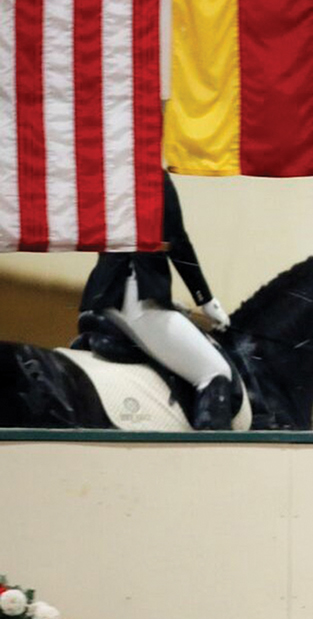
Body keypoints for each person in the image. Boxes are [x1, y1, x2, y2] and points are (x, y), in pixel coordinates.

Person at [79, 171, 235, 429]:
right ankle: (209, 464)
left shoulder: (108, 169)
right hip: (135, 303)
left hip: (98, 300)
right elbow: (178, 242)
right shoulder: (152, 176)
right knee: (216, 373)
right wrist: (205, 300)